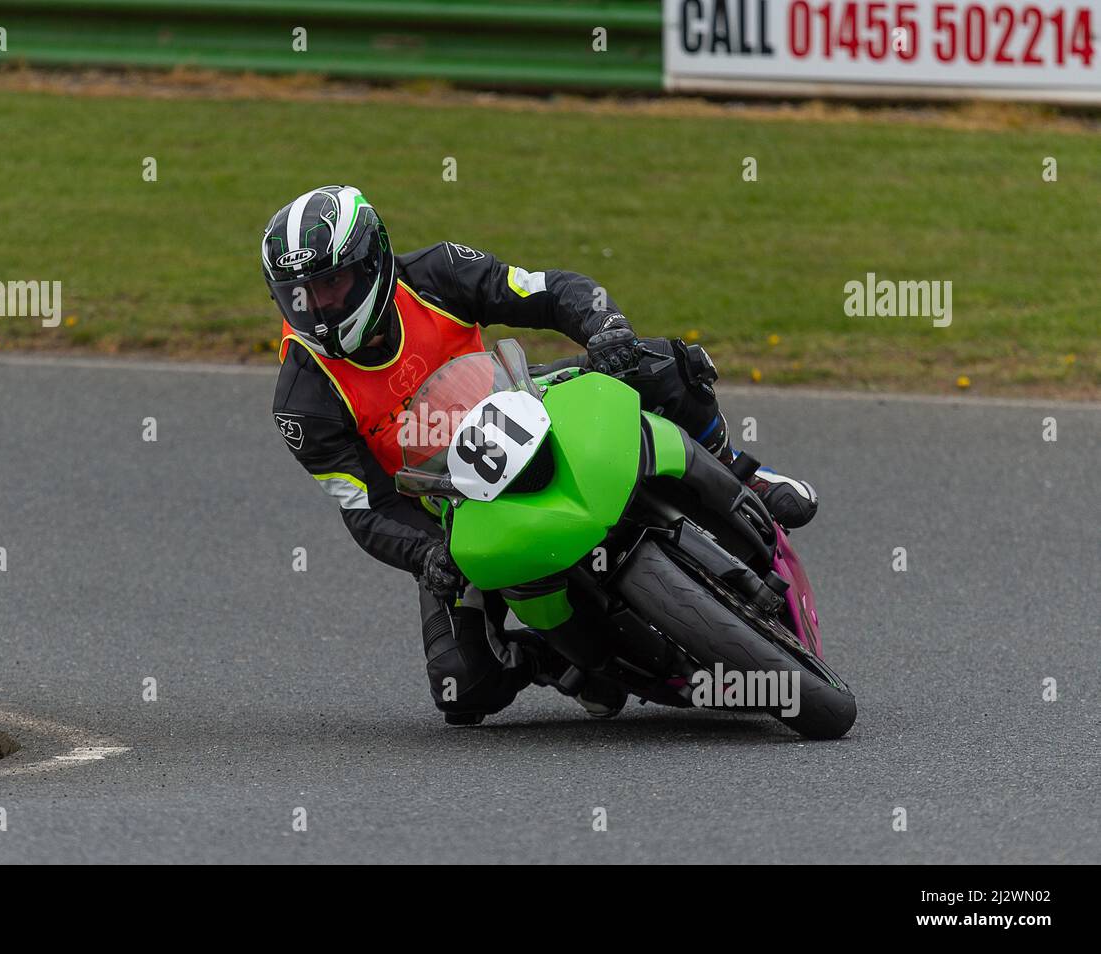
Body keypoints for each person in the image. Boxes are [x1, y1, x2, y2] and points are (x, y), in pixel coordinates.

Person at [265, 185, 817, 724]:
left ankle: (742, 470)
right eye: (299, 293)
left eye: (331, 282)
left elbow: (549, 290)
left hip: (522, 408)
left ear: (372, 262)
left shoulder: (436, 273)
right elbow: (364, 508)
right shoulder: (303, 401)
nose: (318, 305)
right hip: (456, 513)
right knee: (462, 686)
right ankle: (564, 662)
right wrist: (426, 554)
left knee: (659, 365)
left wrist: (604, 327)